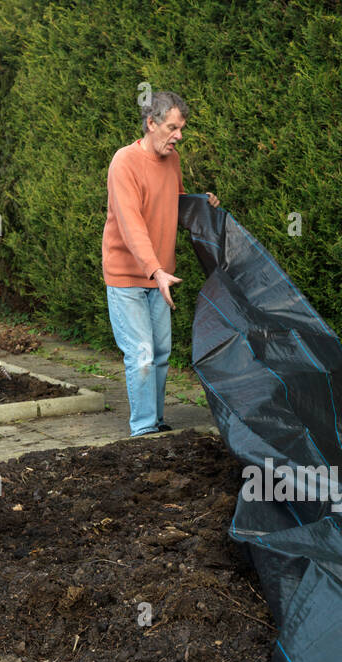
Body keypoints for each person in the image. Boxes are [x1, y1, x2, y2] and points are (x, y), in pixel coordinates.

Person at [102, 90, 219, 437]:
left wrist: (201, 203)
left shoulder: (172, 159)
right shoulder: (123, 163)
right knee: (140, 356)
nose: (178, 135)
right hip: (128, 276)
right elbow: (131, 223)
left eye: (181, 128)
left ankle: (154, 419)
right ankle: (142, 429)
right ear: (151, 124)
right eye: (172, 127)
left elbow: (174, 201)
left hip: (160, 275)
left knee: (161, 353)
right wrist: (155, 270)